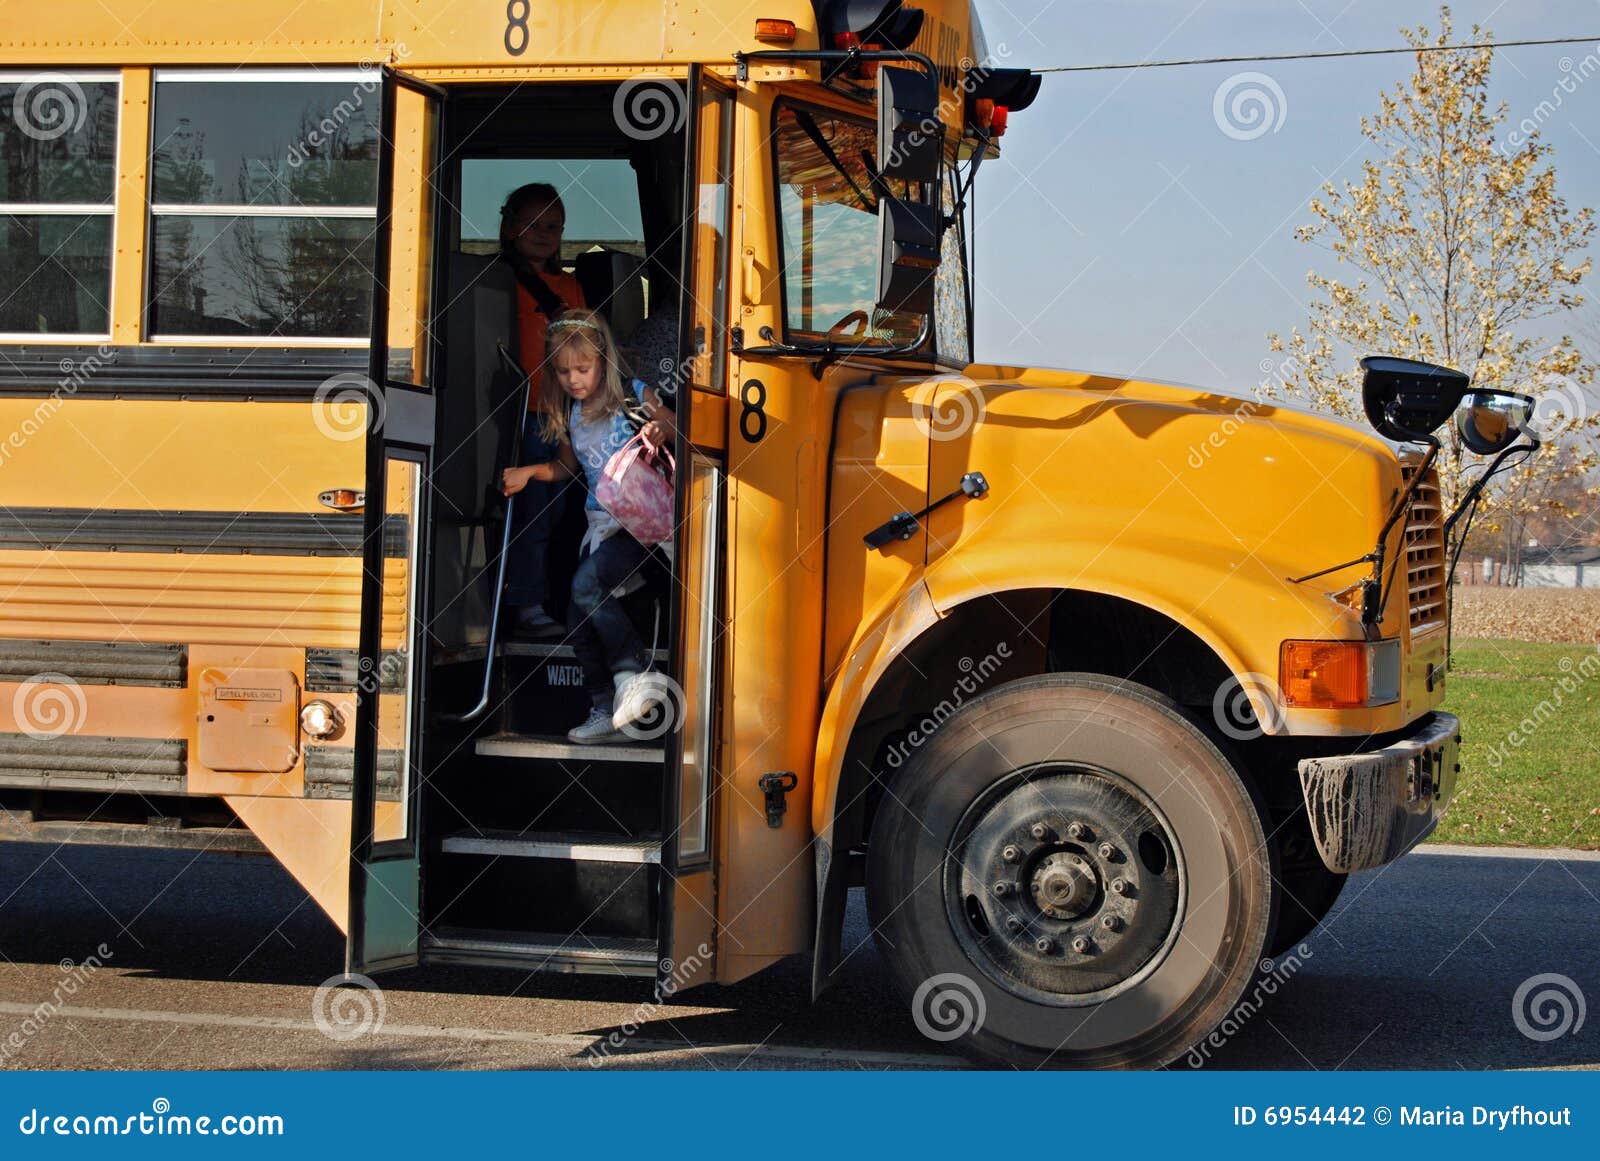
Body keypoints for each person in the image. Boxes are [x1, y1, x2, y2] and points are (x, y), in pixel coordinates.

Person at [501, 310, 677, 744]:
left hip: (639, 524)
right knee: (577, 620)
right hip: (599, 522)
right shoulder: (574, 413)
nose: (573, 380)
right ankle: (607, 707)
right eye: (562, 372)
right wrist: (530, 473)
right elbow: (567, 466)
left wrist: (659, 429)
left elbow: (678, 425)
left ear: (603, 361)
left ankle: (634, 674)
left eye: (582, 369)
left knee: (584, 586)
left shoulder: (635, 396)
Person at [499, 183, 588, 640]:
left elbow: (585, 342)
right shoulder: (498, 280)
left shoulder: (569, 286)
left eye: (553, 226)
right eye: (533, 224)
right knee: (531, 510)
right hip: (518, 411)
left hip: (561, 410)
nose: (543, 233)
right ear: (511, 227)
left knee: (557, 510)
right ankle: (526, 603)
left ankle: (545, 596)